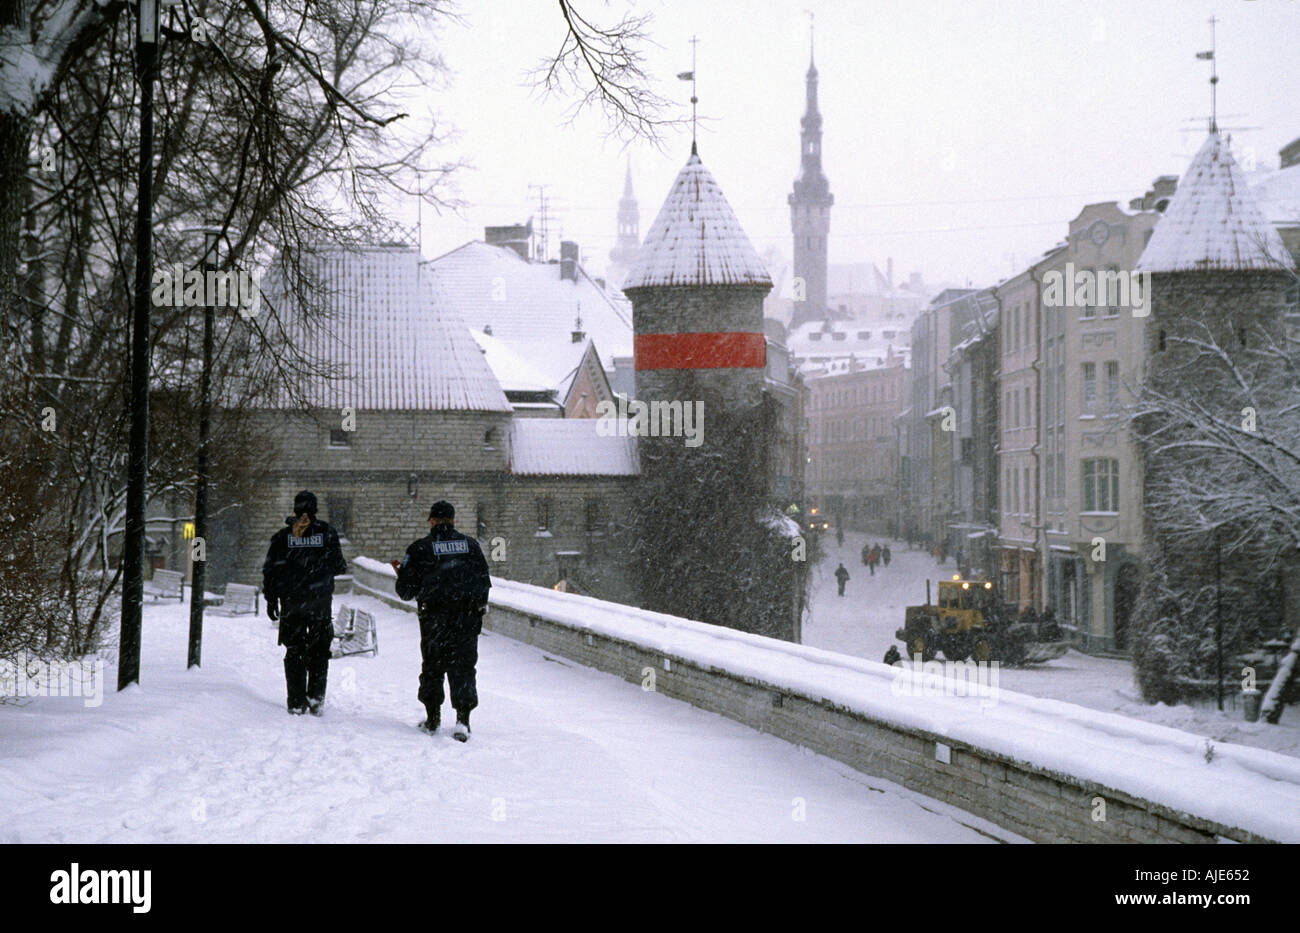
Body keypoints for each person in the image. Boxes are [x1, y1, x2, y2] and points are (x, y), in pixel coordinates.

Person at [394, 500, 491, 741]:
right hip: (466, 619)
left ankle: (433, 719)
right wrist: (475, 611)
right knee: (464, 668)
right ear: (454, 520)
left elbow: (405, 591)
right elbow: (484, 583)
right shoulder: (470, 545)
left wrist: (406, 576)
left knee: (433, 667)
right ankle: (462, 722)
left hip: (434, 620)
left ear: (432, 521)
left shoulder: (420, 549)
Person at [262, 490, 347, 716]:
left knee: (295, 652)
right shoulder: (328, 534)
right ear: (316, 510)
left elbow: (270, 571)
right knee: (319, 653)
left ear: (295, 510)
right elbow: (340, 566)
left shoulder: (282, 537)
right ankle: (316, 699)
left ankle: (296, 701)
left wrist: (271, 599)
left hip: (292, 605)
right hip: (319, 604)